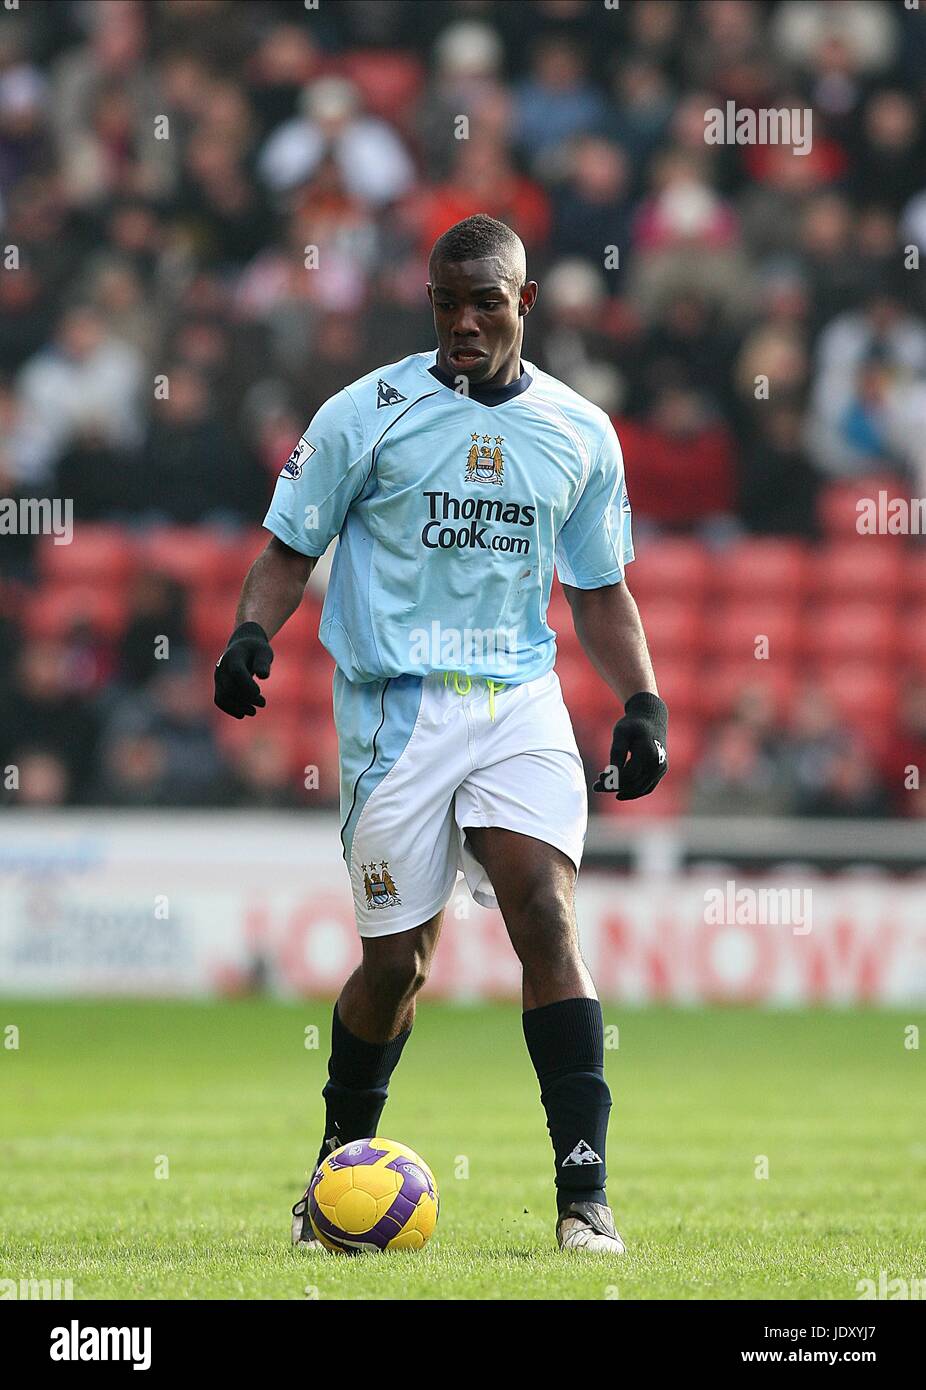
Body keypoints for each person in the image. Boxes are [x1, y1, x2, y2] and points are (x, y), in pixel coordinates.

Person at [214, 214, 669, 1254]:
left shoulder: (577, 431)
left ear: (526, 304)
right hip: (392, 710)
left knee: (544, 918)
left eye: (485, 303)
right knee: (397, 968)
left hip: (515, 702)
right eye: (445, 303)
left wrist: (641, 699)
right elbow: (290, 546)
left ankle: (581, 1193)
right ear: (428, 303)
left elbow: (599, 590)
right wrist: (249, 630)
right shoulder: (361, 413)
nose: (463, 322)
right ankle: (337, 1157)